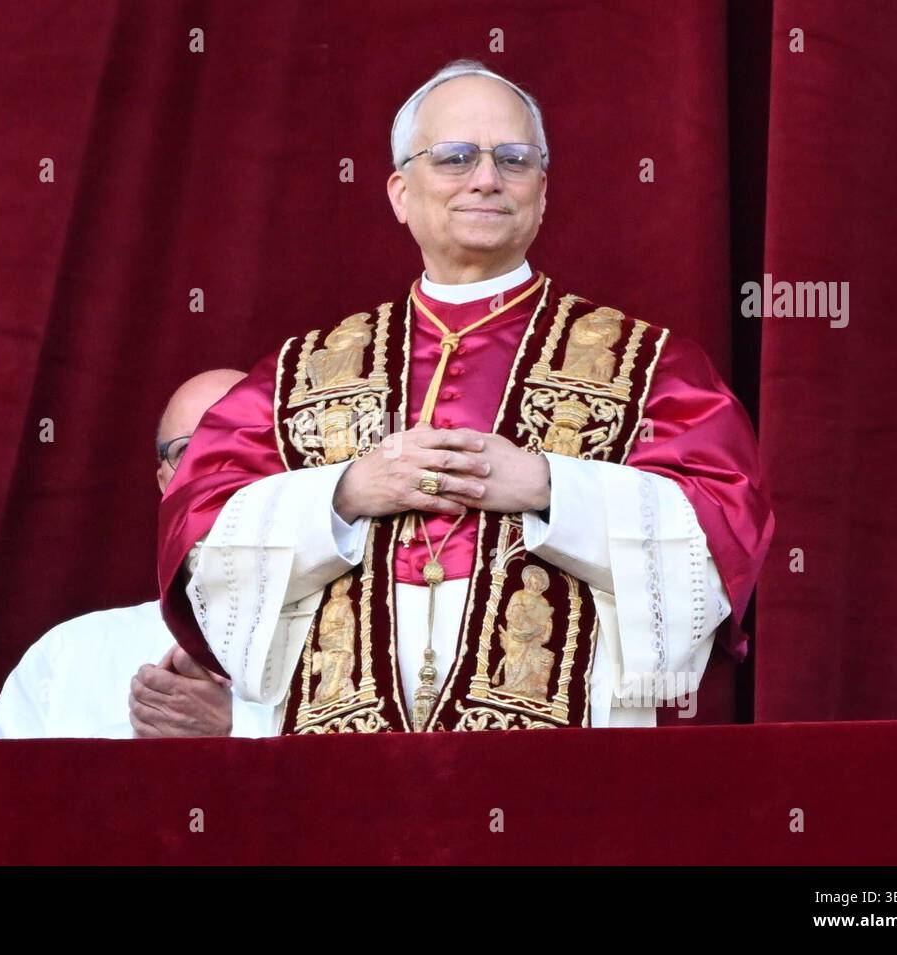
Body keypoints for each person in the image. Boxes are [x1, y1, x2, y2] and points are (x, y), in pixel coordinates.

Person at [157, 59, 775, 733]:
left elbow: (723, 528)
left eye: (514, 159)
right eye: (454, 157)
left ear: (543, 189)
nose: (487, 178)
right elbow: (199, 533)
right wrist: (344, 494)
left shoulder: (651, 365)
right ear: (399, 191)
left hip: (563, 761)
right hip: (332, 760)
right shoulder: (299, 372)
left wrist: (549, 485)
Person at [0, 370, 277, 740]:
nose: (214, 475)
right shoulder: (69, 653)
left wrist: (233, 733)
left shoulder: (354, 650)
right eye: (188, 451)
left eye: (241, 444)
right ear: (165, 484)